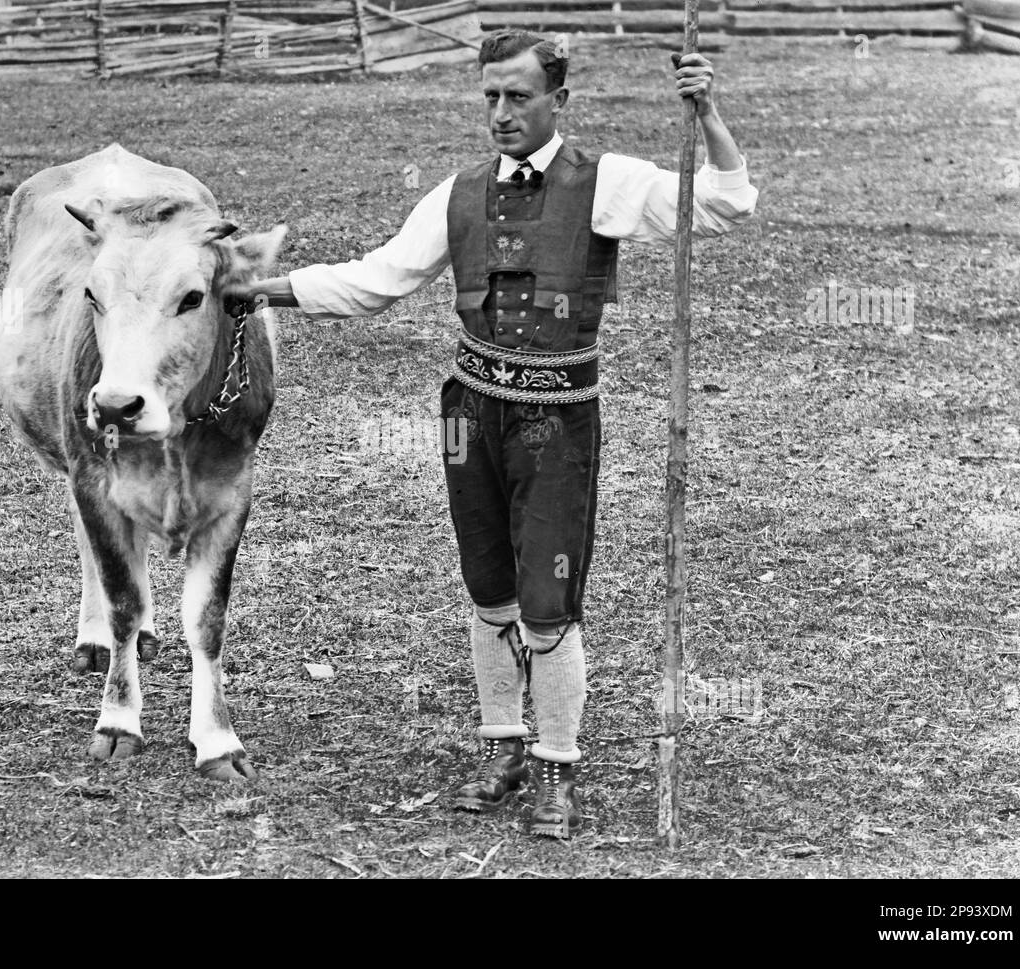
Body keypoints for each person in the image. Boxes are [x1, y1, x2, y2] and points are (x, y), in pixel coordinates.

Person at [233, 28, 758, 838]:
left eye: (518, 96)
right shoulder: (460, 191)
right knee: (490, 590)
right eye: (490, 97)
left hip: (556, 422)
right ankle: (505, 747)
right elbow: (379, 280)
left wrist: (708, 110)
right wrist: (260, 291)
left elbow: (724, 203)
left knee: (548, 604)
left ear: (559, 100)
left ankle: (556, 766)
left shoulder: (605, 181)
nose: (501, 113)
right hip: (468, 414)